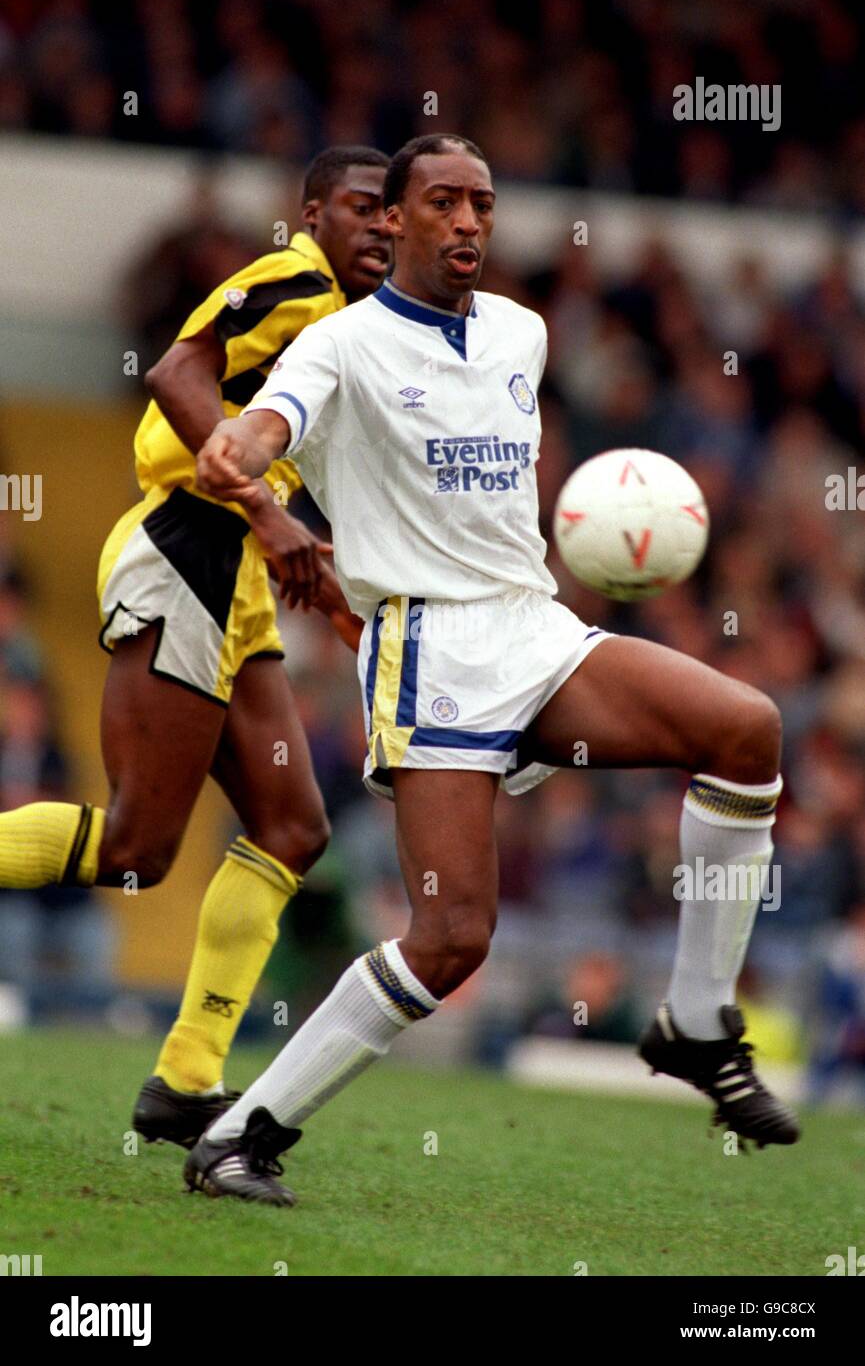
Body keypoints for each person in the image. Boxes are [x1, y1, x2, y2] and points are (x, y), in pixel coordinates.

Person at [186, 133, 799, 1207]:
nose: (468, 221)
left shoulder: (522, 330)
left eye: (482, 202)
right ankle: (240, 1135)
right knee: (454, 935)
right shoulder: (342, 345)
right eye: (442, 203)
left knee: (746, 728)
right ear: (398, 220)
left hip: (534, 627)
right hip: (429, 648)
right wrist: (242, 446)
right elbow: (270, 417)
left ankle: (695, 1021)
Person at [0, 146, 388, 1148]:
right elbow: (179, 372)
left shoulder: (350, 334)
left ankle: (185, 1082)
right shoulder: (295, 278)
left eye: (396, 214)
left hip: (236, 582)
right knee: (137, 848)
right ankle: (184, 1078)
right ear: (312, 214)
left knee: (293, 827)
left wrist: (326, 581)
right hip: (186, 547)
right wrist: (263, 509)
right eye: (362, 208)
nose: (384, 227)